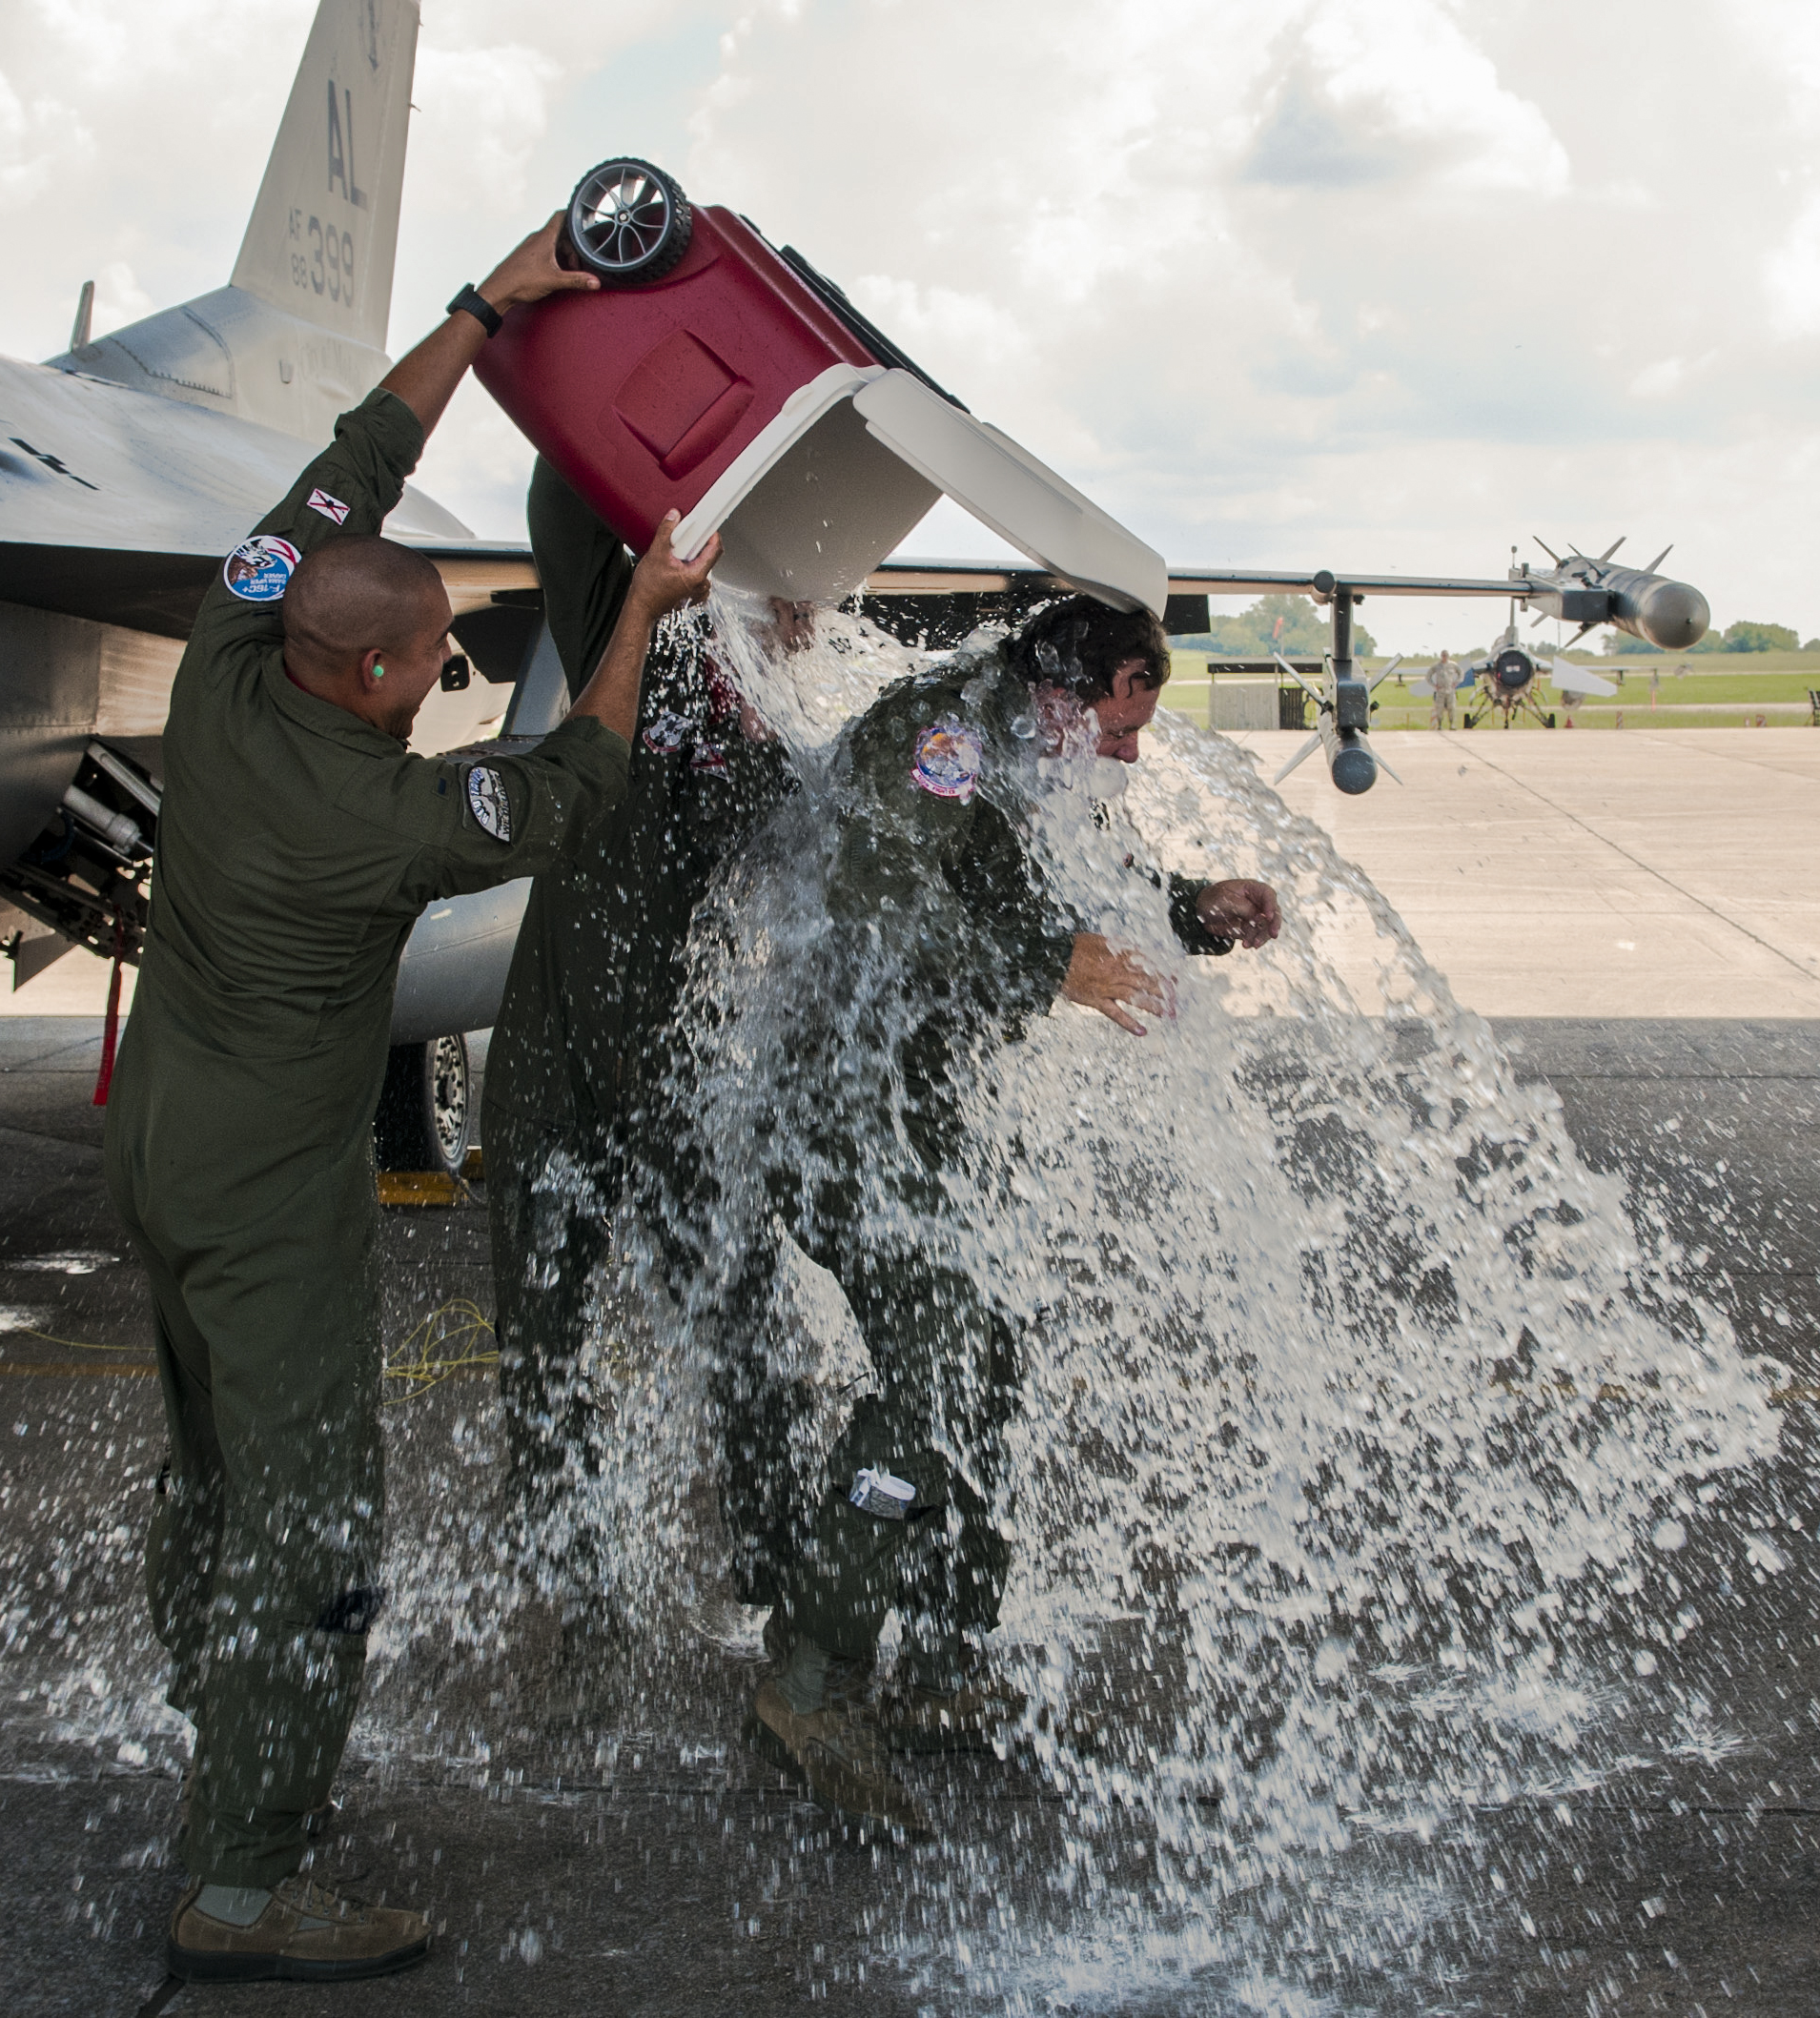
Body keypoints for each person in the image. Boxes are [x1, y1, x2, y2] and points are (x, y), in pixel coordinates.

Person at [104, 218, 720, 1984]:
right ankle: (245, 1879)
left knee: (212, 1469)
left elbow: (350, 463)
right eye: (432, 659)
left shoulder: (225, 652)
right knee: (314, 1523)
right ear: (373, 676)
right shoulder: (380, 822)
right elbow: (570, 781)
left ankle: (218, 1715)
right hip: (269, 1203)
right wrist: (639, 615)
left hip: (154, 1155)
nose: (439, 676)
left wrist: (480, 307)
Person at [726, 596, 1281, 1833]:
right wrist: (1052, 968)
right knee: (933, 1366)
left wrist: (1192, 909)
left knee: (983, 1365)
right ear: (1063, 694)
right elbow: (876, 896)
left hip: (920, 1110)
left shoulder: (1030, 749)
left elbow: (1073, 882)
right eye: (1120, 725)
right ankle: (808, 1678)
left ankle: (942, 1664)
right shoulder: (945, 736)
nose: (1128, 751)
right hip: (843, 1111)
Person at [482, 459, 798, 1537]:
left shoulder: (776, 760)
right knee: (542, 1339)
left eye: (800, 608)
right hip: (554, 1069)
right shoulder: (631, 662)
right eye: (778, 600)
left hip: (686, 1087)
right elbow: (564, 505)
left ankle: (773, 1553)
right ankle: (565, 1560)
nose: (795, 623)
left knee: (745, 1326)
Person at [1426, 648, 1461, 730]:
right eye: (1443, 655)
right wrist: (1434, 685)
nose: (1444, 657)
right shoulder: (1436, 666)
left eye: (1446, 655)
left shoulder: (1453, 665)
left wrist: (1456, 682)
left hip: (1450, 690)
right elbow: (1428, 676)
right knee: (1439, 708)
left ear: (1448, 656)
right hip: (1440, 691)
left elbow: (1461, 673)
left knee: (1451, 708)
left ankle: (1452, 724)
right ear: (1441, 656)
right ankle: (1440, 725)